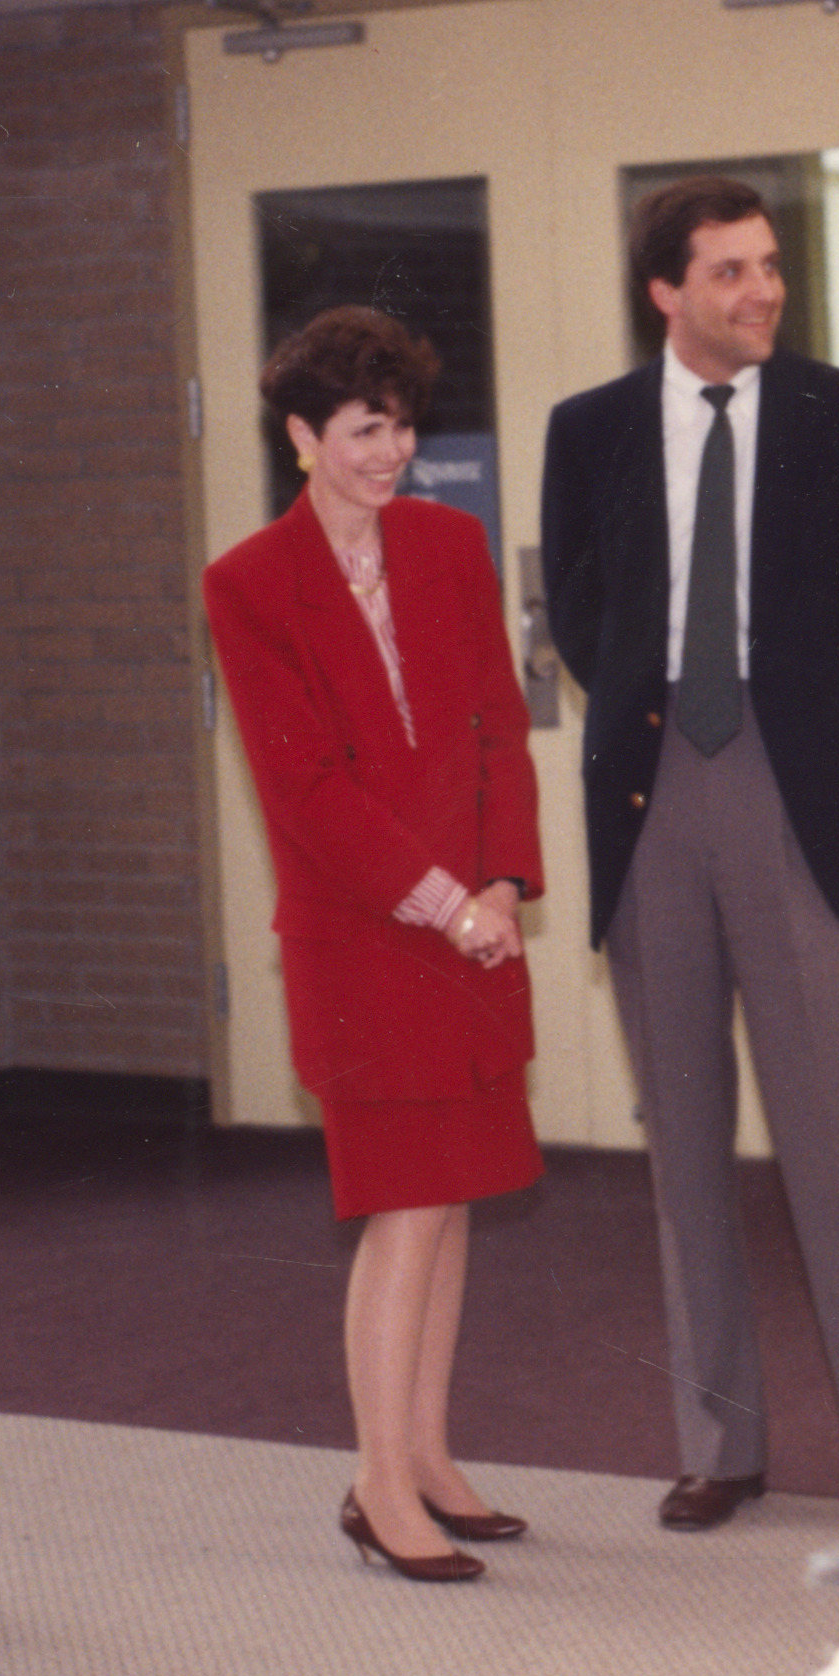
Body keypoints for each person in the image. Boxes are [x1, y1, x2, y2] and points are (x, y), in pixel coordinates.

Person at [539, 175, 839, 1528]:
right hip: (651, 799)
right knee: (681, 1145)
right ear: (663, 292)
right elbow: (581, 609)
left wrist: (817, 720)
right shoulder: (590, 430)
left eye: (768, 265)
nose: (759, 291)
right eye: (726, 272)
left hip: (797, 798)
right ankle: (715, 1446)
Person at [202, 306, 544, 1585]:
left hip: (475, 922)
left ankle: (432, 1455)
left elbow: (498, 728)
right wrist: (445, 901)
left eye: (401, 426)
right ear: (301, 436)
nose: (390, 452)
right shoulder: (246, 582)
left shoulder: (452, 546)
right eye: (362, 430)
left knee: (448, 1200)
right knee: (402, 1208)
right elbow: (306, 788)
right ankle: (377, 1482)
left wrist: (502, 880)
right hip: (367, 934)